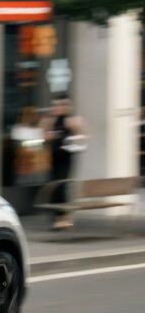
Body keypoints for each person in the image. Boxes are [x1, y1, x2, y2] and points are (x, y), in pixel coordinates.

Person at [39, 95, 87, 229]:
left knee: (62, 186)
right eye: (55, 105)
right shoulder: (51, 120)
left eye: (61, 105)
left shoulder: (72, 120)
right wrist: (47, 132)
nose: (57, 107)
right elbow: (43, 137)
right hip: (53, 157)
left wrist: (76, 135)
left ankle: (63, 217)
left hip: (66, 157)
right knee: (53, 186)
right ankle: (57, 217)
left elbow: (83, 137)